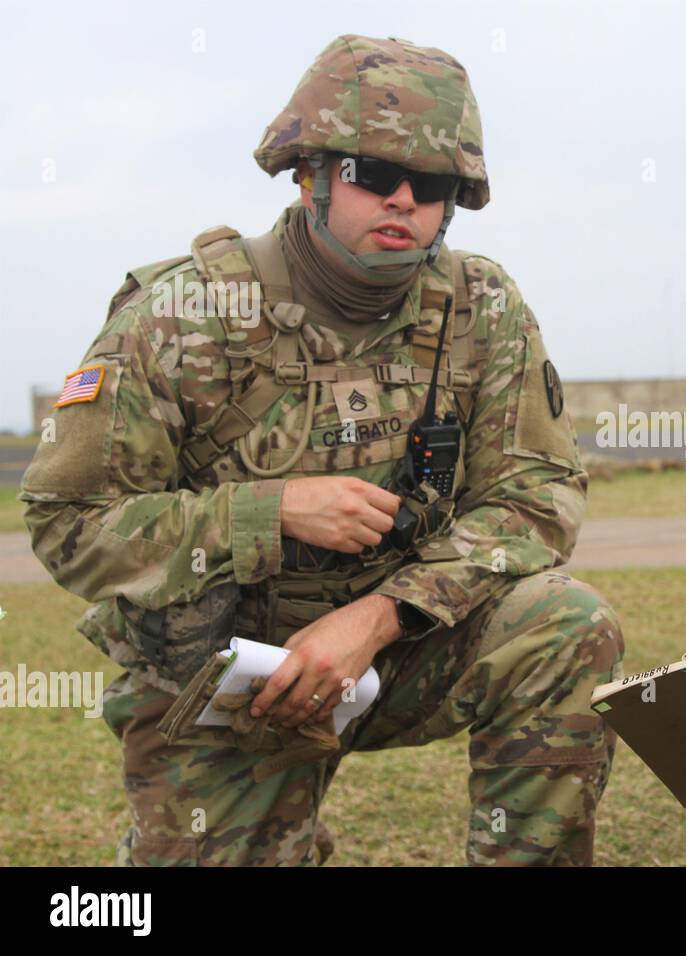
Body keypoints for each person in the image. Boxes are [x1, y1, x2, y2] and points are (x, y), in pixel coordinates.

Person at [20, 34, 622, 866]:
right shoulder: (187, 313)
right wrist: (267, 512)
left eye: (433, 184)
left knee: (565, 623)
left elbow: (539, 493)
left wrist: (377, 619)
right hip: (222, 679)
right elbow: (68, 523)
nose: (403, 200)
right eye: (373, 175)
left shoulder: (481, 306)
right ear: (311, 176)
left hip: (394, 649)